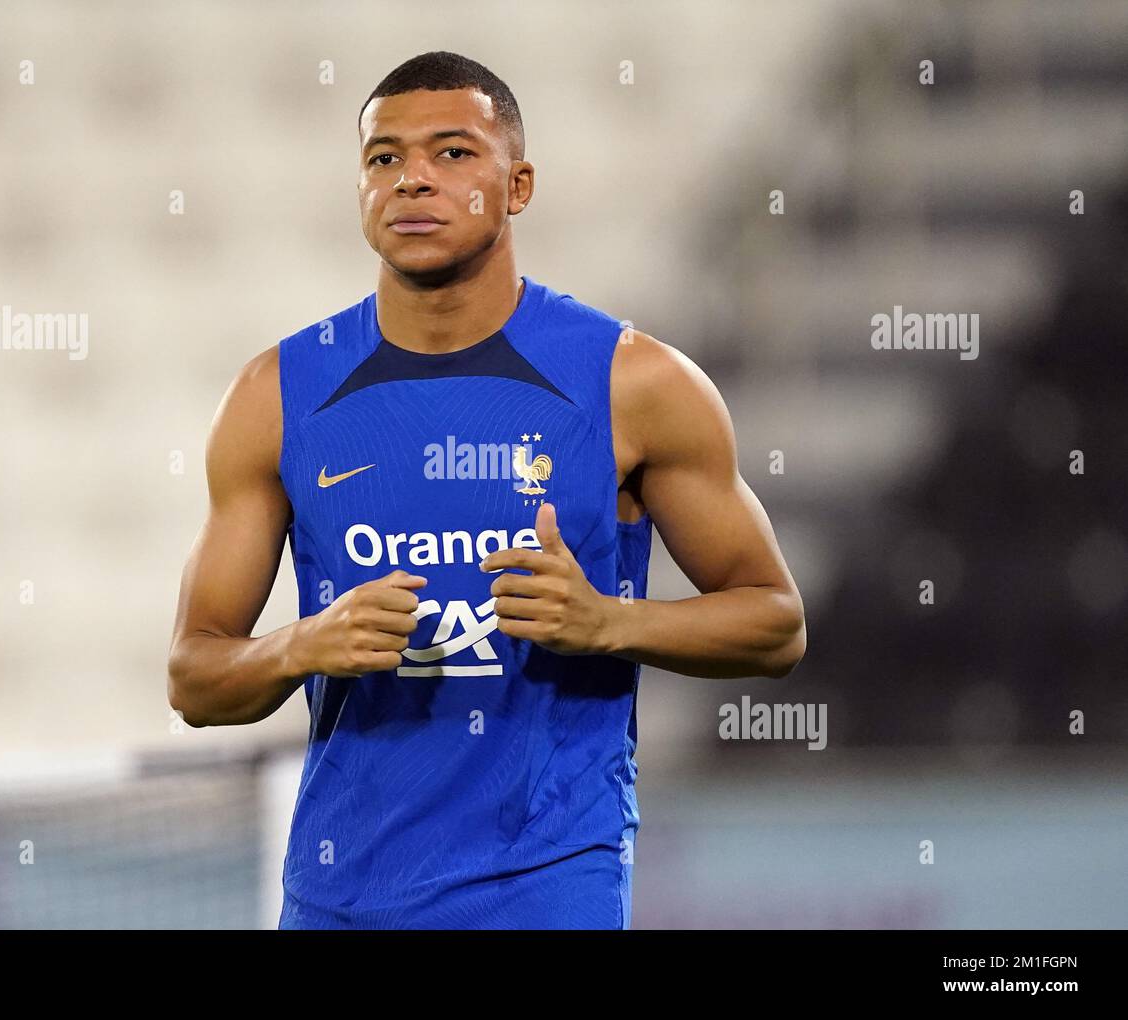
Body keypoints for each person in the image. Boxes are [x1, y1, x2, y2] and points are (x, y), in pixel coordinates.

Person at [167, 50, 805, 929]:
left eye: (453, 153)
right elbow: (194, 678)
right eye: (383, 158)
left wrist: (609, 623)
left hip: (547, 881)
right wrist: (300, 646)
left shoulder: (632, 383)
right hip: (342, 892)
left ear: (519, 185)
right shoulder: (274, 397)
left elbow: (775, 623)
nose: (411, 180)